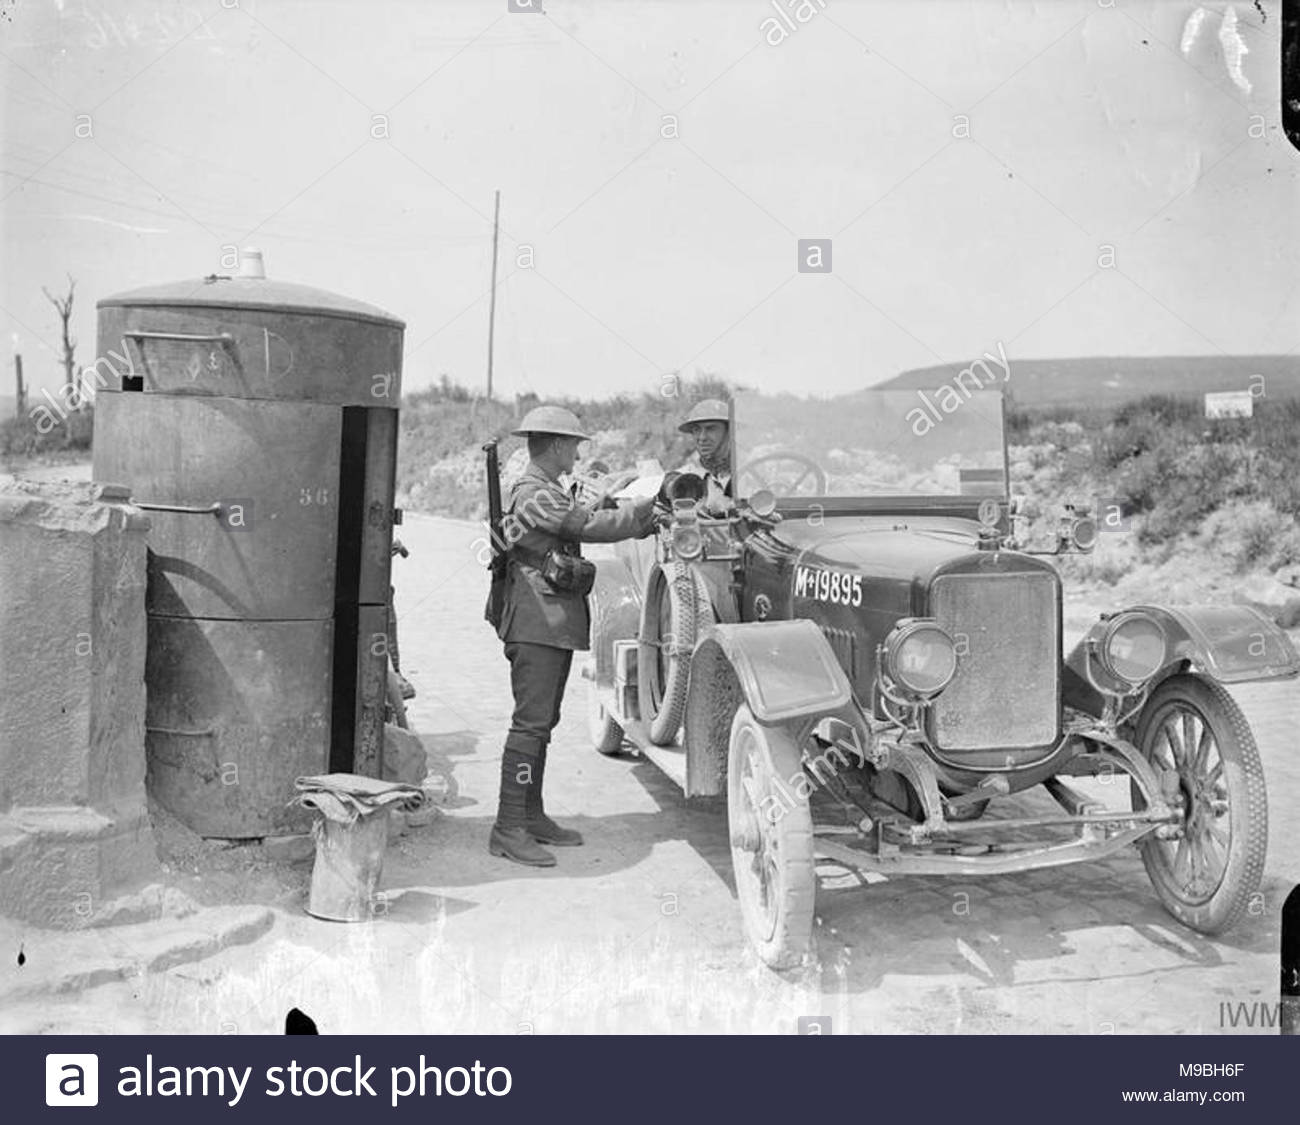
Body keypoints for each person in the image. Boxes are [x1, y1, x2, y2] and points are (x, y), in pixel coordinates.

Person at [490, 405, 658, 867]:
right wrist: (646, 515)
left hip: (547, 622)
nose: (578, 453)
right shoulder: (533, 493)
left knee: (542, 723)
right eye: (575, 445)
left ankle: (530, 814)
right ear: (559, 445)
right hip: (535, 624)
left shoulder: (546, 491)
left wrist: (610, 502)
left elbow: (578, 516)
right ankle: (508, 827)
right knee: (530, 725)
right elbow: (582, 526)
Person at [677, 398, 733, 514]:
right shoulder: (683, 480)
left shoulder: (748, 476)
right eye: (697, 430)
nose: (702, 437)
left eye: (710, 429)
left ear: (730, 431)